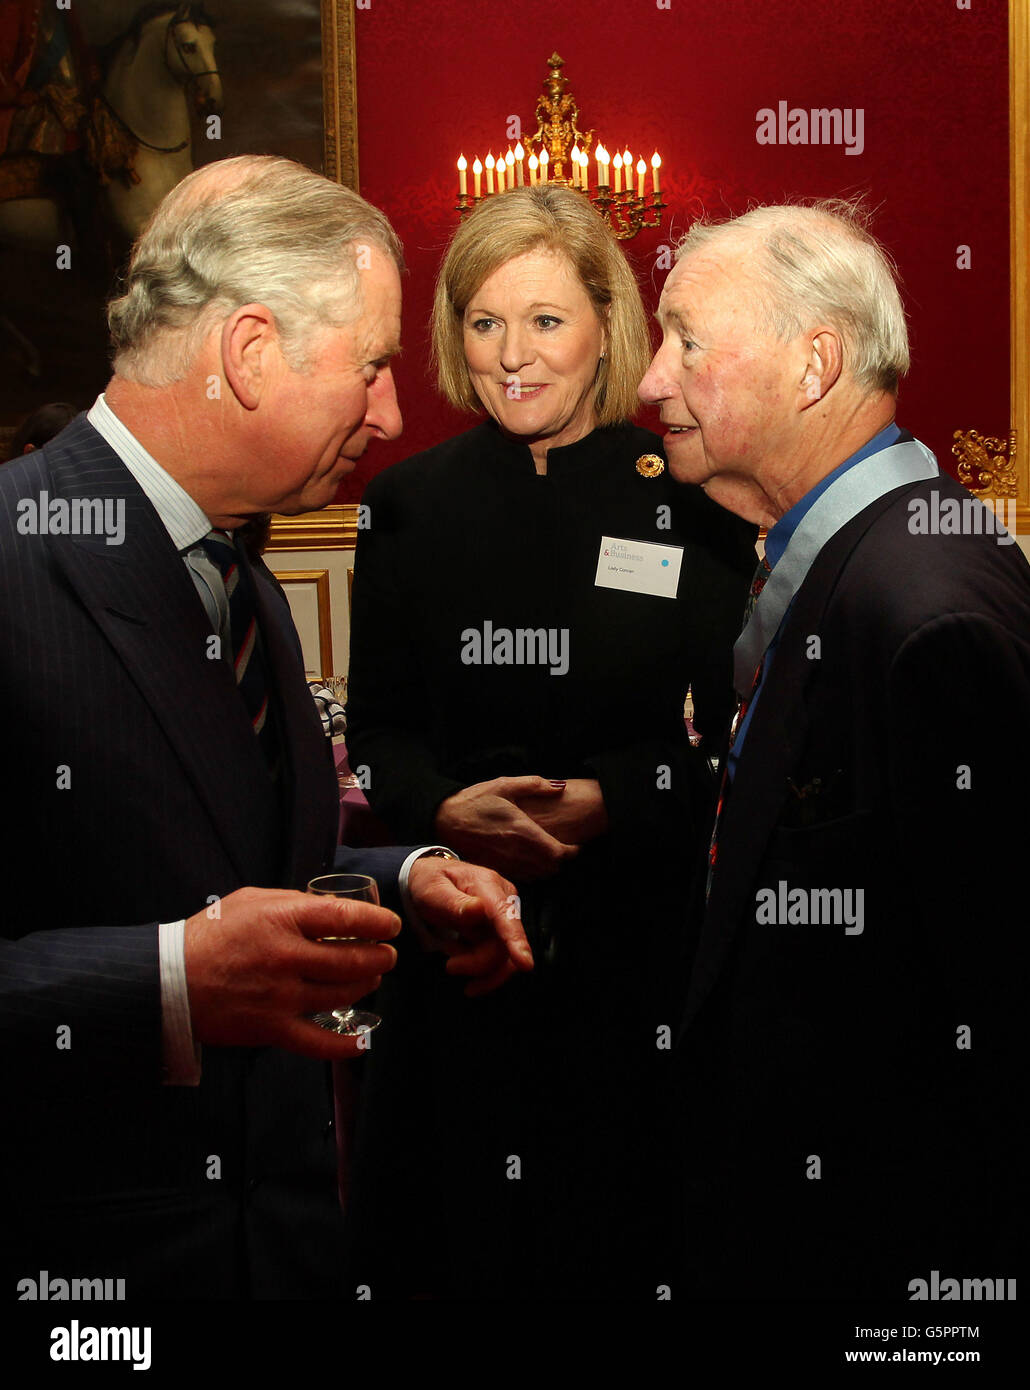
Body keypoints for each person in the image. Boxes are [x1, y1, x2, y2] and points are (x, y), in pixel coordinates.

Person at [0, 154, 531, 1300]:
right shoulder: (16, 555)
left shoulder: (237, 570)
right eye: (376, 364)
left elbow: (228, 851)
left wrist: (402, 878)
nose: (392, 411)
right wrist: (173, 978)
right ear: (248, 354)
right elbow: (189, 928)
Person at [345, 184, 756, 1297]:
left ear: (606, 328)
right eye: (484, 321)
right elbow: (374, 732)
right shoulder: (405, 506)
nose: (511, 355)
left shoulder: (689, 504)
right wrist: (442, 812)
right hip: (460, 956)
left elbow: (733, 748)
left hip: (636, 960)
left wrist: (612, 795)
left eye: (544, 320)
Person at [639, 199, 1030, 1298]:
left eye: (685, 341)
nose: (649, 384)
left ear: (813, 364)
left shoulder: (922, 606)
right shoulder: (845, 560)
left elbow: (995, 1017)